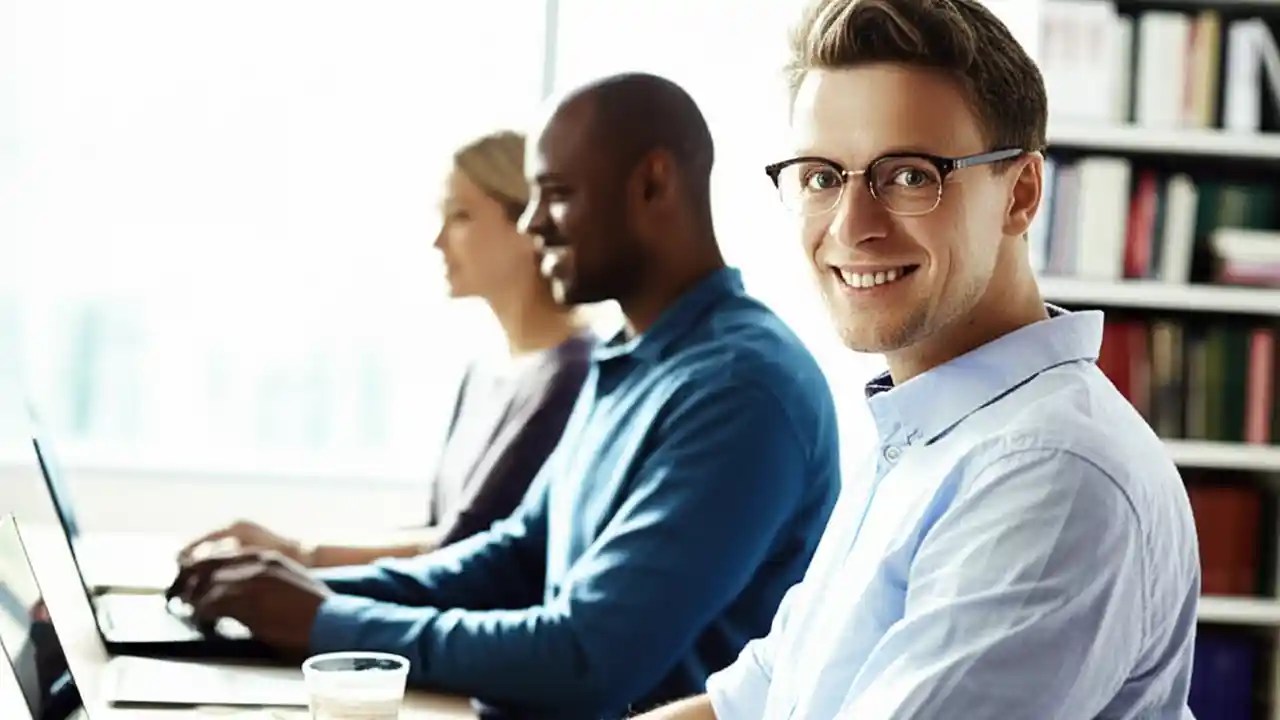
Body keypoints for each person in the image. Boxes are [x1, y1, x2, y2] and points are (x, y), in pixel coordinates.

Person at [167, 73, 842, 720]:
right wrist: (287, 592)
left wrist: (324, 618)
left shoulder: (743, 388)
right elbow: (515, 558)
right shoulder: (630, 358)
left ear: (652, 183)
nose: (534, 223)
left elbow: (586, 657)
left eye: (556, 194)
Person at [638, 1, 1200, 719]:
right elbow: (755, 699)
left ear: (1021, 194)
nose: (852, 227)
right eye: (821, 177)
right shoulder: (922, 433)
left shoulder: (1049, 472)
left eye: (908, 175)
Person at [176, 130, 595, 569]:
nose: (438, 241)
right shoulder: (485, 371)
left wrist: (298, 556)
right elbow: (437, 530)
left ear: (529, 223)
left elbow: (460, 546)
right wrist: (287, 556)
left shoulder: (572, 373)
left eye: (460, 216)